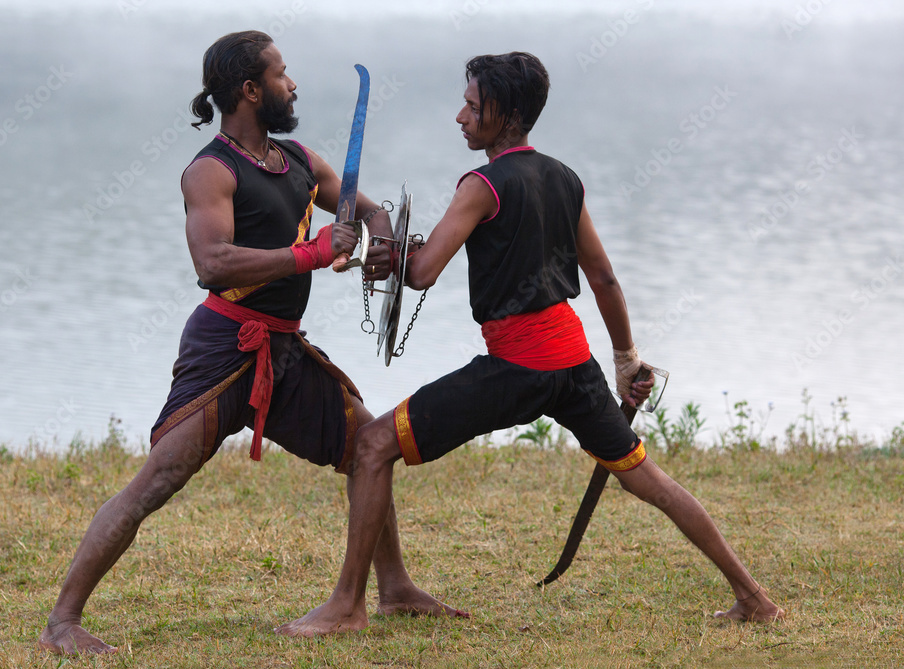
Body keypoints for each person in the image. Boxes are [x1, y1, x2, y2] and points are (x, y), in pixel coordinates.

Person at [277, 51, 785, 637]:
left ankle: (348, 604)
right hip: (574, 363)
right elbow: (604, 279)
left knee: (369, 445)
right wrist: (625, 359)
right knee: (651, 481)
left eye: (472, 107)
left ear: (507, 113)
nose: (461, 117)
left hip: (516, 367)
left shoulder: (482, 185)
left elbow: (420, 274)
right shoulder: (565, 178)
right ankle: (754, 598)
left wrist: (370, 253)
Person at [38, 31, 464, 656]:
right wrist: (313, 253)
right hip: (223, 348)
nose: (293, 85)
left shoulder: (299, 161)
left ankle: (394, 587)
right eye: (283, 74)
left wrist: (380, 245)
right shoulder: (210, 170)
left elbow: (369, 212)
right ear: (249, 89)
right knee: (157, 481)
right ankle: (62, 624)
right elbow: (213, 262)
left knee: (369, 445)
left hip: (287, 353)